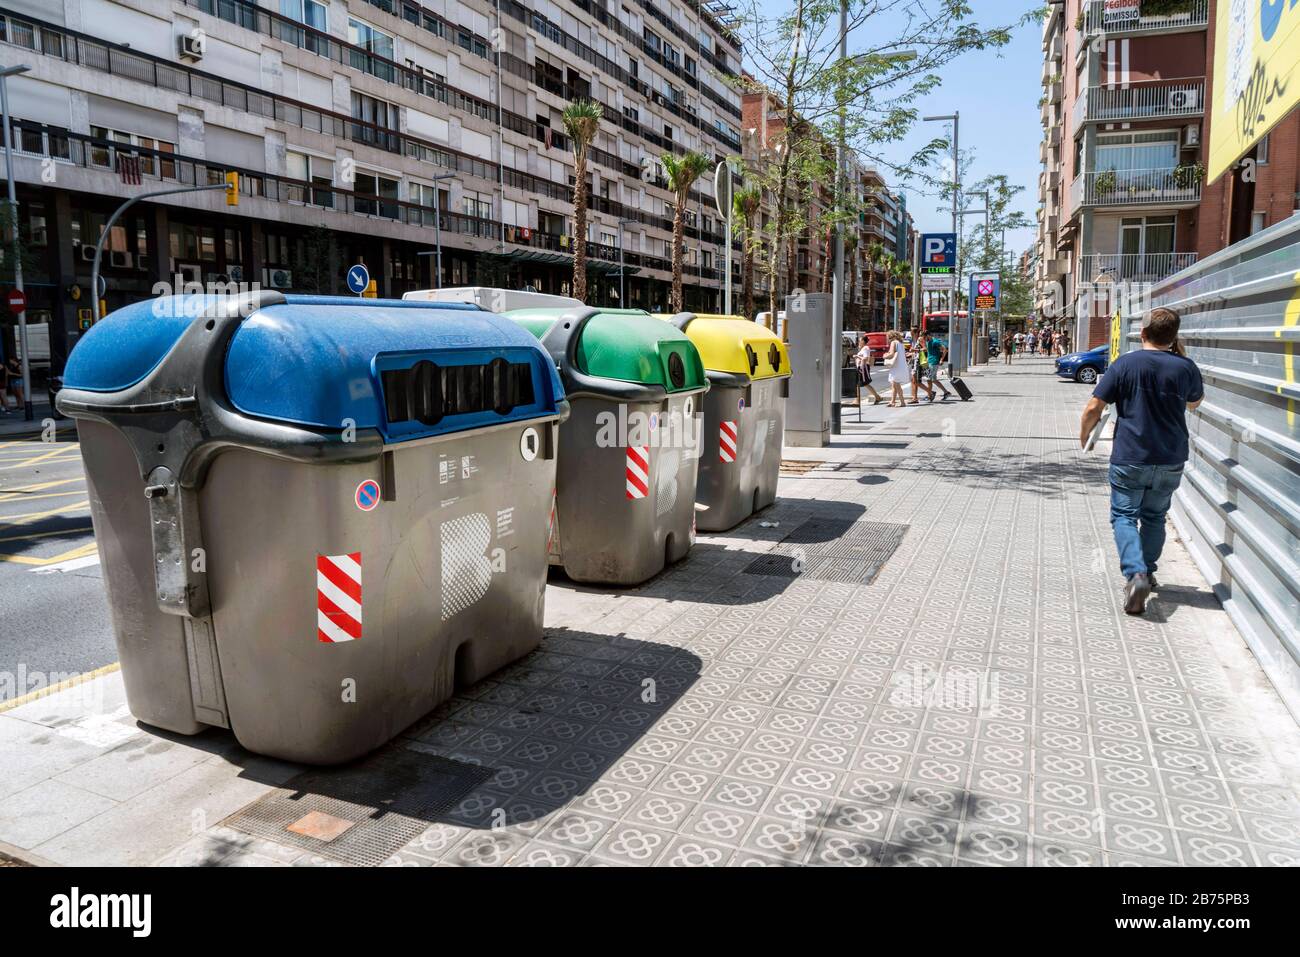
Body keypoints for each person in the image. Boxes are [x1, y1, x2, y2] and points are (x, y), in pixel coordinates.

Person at [1079, 307, 1203, 616]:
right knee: (1155, 517)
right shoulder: (1186, 367)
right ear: (1174, 337)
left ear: (1143, 333)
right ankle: (1146, 572)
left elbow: (1094, 406)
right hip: (1171, 457)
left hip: (1131, 456)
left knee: (1123, 516)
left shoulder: (1125, 364)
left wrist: (1085, 435)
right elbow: (1195, 402)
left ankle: (1135, 574)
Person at [854, 333, 884, 405]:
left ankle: (858, 400)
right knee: (863, 384)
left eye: (860, 340)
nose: (859, 342)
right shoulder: (863, 348)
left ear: (863, 341)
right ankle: (877, 397)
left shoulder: (866, 348)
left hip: (863, 368)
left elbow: (866, 358)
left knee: (861, 384)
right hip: (861, 368)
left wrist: (857, 356)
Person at [922, 332, 952, 400]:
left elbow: (945, 350)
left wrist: (941, 359)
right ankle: (946, 392)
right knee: (934, 380)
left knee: (929, 379)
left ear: (928, 335)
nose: (924, 339)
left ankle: (930, 395)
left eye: (924, 337)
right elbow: (929, 350)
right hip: (930, 362)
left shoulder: (935, 342)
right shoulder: (928, 341)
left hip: (934, 362)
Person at [884, 329, 910, 407]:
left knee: (896, 384)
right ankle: (893, 401)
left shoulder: (893, 342)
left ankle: (902, 402)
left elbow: (891, 354)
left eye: (887, 337)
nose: (887, 339)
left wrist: (885, 356)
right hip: (901, 365)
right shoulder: (900, 343)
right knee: (894, 384)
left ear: (890, 337)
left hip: (896, 366)